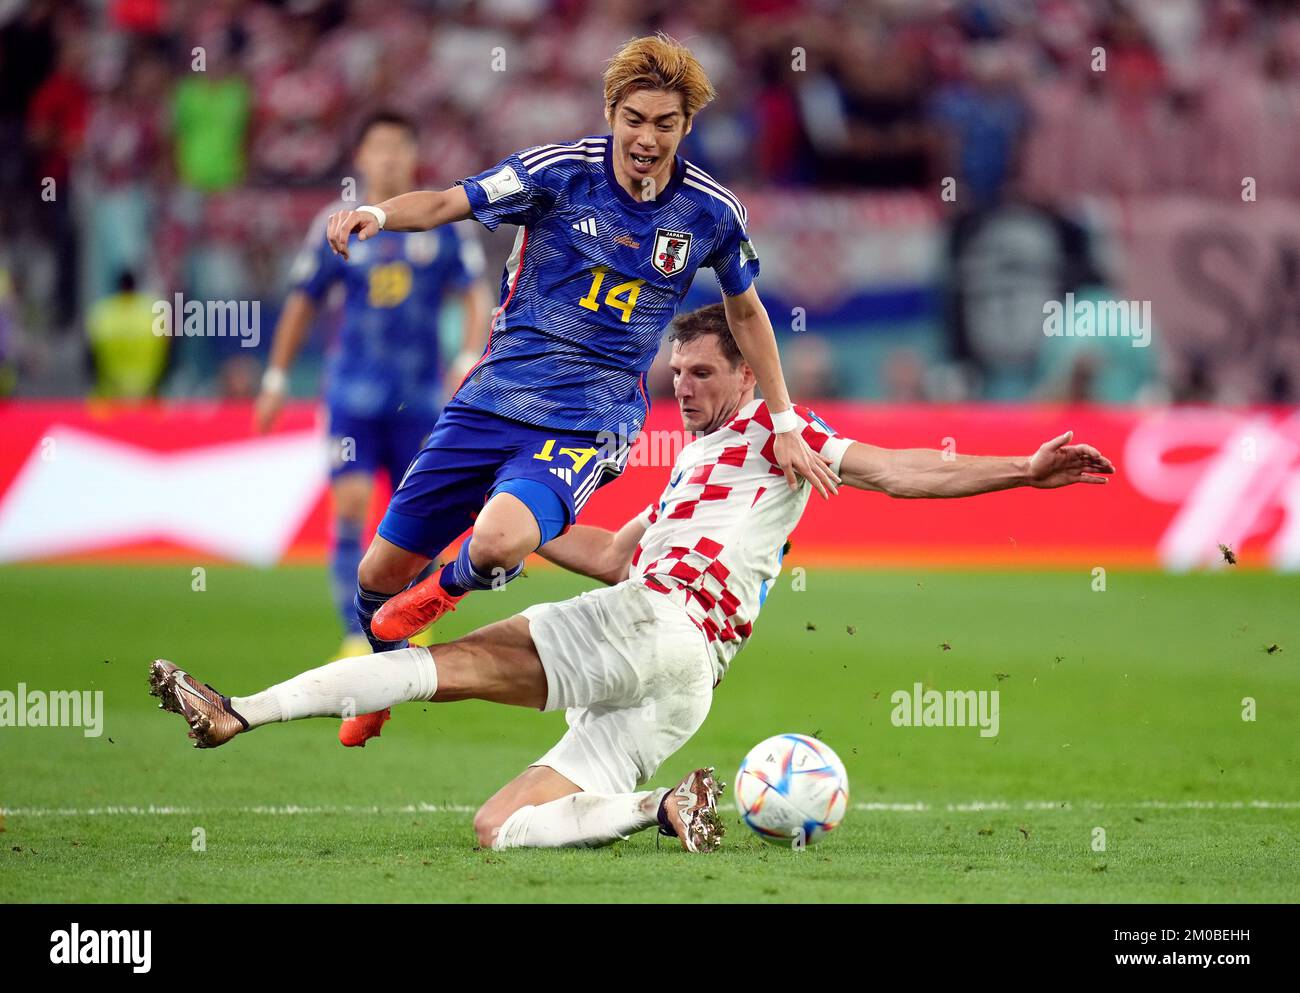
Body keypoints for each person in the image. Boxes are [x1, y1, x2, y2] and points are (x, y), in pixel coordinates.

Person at [149, 303, 1115, 853]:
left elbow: (904, 469)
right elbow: (613, 554)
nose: (681, 386)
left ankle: (237, 710)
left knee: (450, 665)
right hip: (686, 680)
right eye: (675, 371)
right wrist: (523, 528)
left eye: (699, 371)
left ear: (747, 375)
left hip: (662, 625)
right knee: (499, 827)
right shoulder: (694, 468)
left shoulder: (781, 433)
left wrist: (1022, 471)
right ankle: (663, 807)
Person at [323, 35, 838, 747]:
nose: (647, 137)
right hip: (491, 397)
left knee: (501, 542)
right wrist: (377, 215)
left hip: (589, 418)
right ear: (611, 114)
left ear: (686, 127)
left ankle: (446, 589)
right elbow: (450, 201)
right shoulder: (557, 173)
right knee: (376, 579)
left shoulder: (711, 214)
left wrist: (782, 416)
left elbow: (746, 312)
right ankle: (381, 685)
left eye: (664, 123)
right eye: (634, 119)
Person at [255, 110, 489, 668]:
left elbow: (474, 291)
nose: (387, 157)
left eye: (398, 147)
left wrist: (466, 353)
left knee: (423, 514)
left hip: (421, 397)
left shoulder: (440, 224)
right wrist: (276, 377)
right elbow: (303, 300)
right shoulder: (334, 226)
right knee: (352, 505)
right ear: (360, 157)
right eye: (377, 147)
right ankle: (355, 632)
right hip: (352, 397)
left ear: (413, 156)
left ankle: (413, 623)